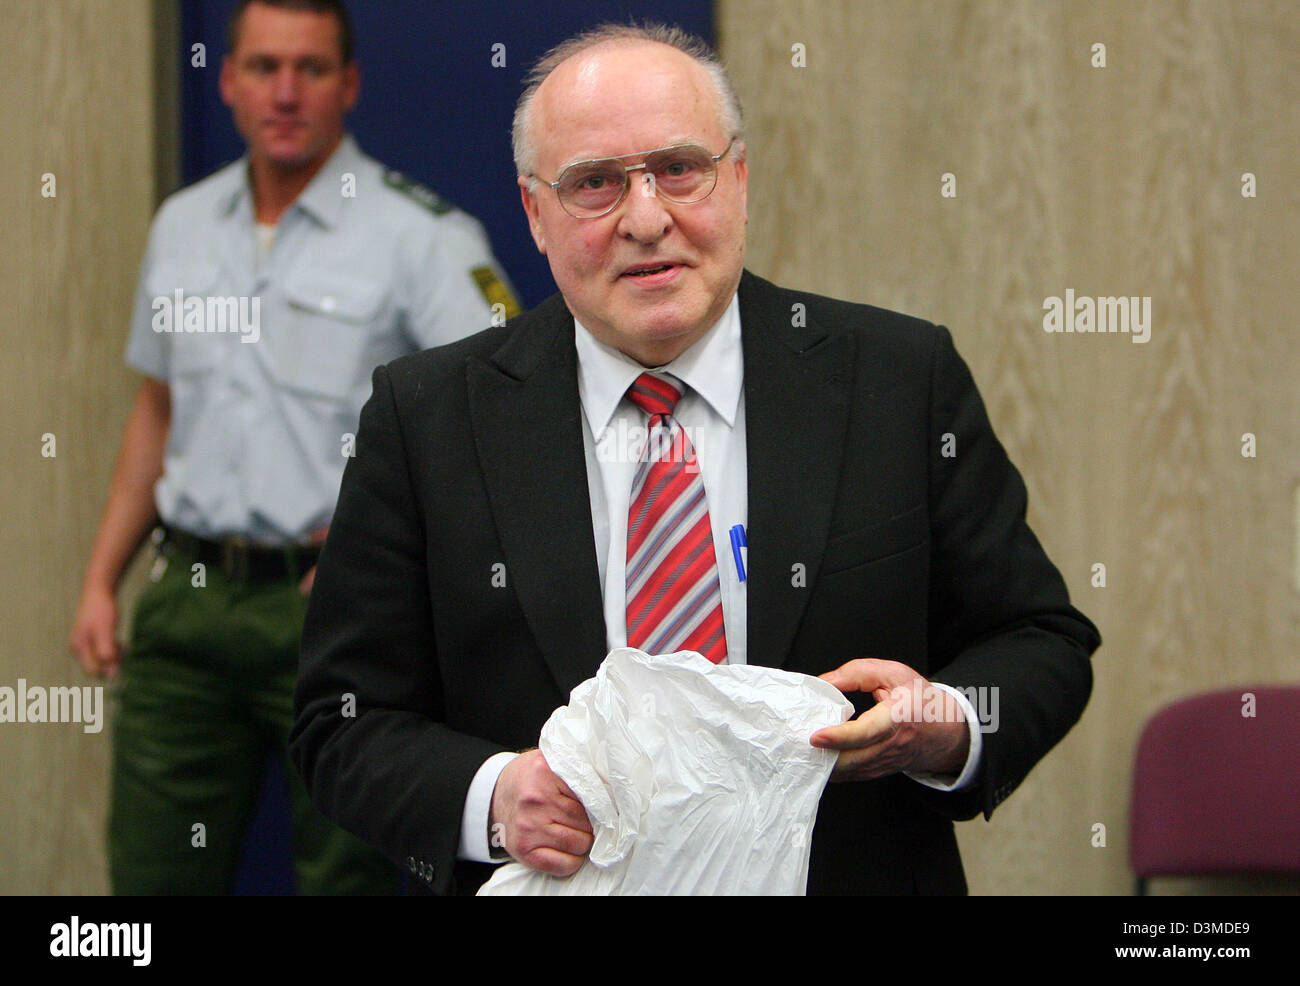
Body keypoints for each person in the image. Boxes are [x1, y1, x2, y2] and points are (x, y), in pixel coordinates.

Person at [290, 23, 1100, 895]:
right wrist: (494, 798)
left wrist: (943, 727)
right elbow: (343, 723)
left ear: (740, 180)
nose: (647, 219)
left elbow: (1039, 640)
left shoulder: (897, 381)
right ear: (534, 213)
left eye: (680, 168)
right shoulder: (427, 417)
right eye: (594, 184)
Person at [68, 0, 518, 894]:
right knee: (149, 882)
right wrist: (98, 581)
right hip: (185, 612)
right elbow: (158, 410)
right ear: (227, 80)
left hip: (337, 617)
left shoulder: (423, 239)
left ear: (347, 86)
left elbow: (500, 423)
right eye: (263, 67)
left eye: (310, 69)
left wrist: (390, 562)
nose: (284, 92)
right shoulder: (181, 227)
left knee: (343, 880)